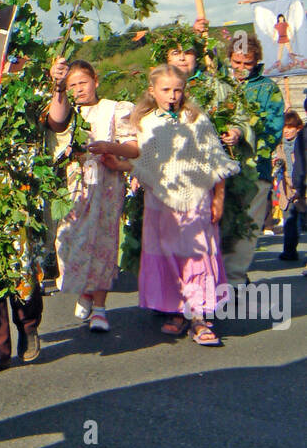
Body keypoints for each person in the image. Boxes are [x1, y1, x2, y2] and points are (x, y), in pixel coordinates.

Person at [92, 65, 239, 346]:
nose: (172, 96)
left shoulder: (196, 119)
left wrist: (218, 199)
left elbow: (215, 161)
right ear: (152, 91)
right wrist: (116, 159)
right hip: (161, 205)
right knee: (169, 258)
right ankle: (178, 310)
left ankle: (198, 318)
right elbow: (146, 161)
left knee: (196, 257)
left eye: (177, 90)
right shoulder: (147, 122)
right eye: (166, 90)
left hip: (196, 201)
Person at [46, 56, 134, 333]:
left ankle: (100, 308)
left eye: (83, 82)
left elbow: (133, 147)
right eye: (72, 85)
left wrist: (114, 153)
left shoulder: (114, 110)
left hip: (107, 185)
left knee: (103, 243)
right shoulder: (67, 113)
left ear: (95, 81)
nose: (79, 89)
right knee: (69, 237)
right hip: (75, 185)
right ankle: (84, 289)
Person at [219, 32, 284, 284]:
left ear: (256, 61)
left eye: (247, 64)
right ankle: (217, 276)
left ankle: (234, 279)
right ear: (229, 59)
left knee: (247, 227)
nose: (242, 69)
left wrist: (247, 142)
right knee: (222, 224)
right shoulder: (219, 85)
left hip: (256, 170)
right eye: (237, 63)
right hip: (222, 169)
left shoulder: (269, 89)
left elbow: (274, 129)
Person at [275, 110, 306, 263]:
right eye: (284, 127)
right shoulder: (279, 145)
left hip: (302, 186)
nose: (286, 131)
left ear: (298, 128)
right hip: (286, 187)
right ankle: (289, 252)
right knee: (289, 221)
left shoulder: (302, 142)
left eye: (290, 127)